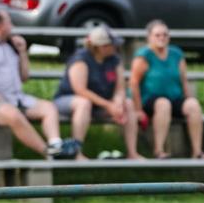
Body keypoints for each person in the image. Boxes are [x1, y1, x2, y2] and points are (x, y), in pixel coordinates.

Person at [0, 10, 69, 159]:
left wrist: (22, 51)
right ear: (0, 26)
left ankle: (56, 145)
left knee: (48, 108)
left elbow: (24, 77)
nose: (12, 26)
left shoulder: (9, 46)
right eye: (9, 22)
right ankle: (49, 153)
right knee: (13, 114)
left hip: (14, 98)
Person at [53, 25, 142, 160]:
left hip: (100, 105)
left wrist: (118, 102)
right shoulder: (80, 59)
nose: (116, 47)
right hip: (69, 101)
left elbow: (120, 88)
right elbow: (80, 90)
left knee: (128, 104)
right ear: (101, 46)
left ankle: (132, 153)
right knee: (84, 103)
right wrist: (108, 105)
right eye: (113, 44)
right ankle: (76, 153)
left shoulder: (114, 59)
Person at [129, 20, 204, 159]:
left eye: (165, 35)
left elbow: (183, 80)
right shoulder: (144, 55)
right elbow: (134, 83)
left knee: (193, 105)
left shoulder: (176, 54)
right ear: (149, 37)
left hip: (174, 98)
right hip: (150, 100)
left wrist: (188, 97)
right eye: (157, 35)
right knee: (163, 103)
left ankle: (197, 151)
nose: (161, 38)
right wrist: (138, 109)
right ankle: (159, 150)